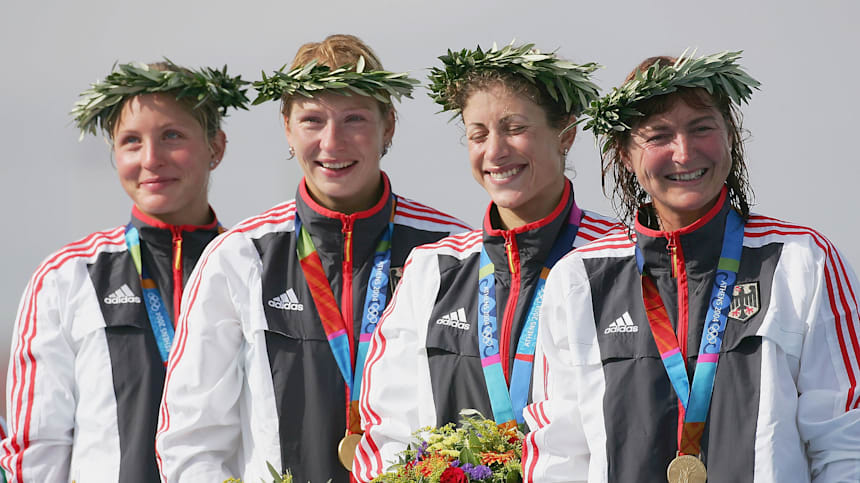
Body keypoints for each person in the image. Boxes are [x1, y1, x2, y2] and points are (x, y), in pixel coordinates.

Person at [523, 51, 860, 482]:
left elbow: (845, 440)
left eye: (702, 128)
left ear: (730, 137)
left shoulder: (800, 260)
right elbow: (559, 453)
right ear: (624, 154)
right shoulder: (580, 279)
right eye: (658, 136)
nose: (684, 153)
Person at [154, 34, 470, 483]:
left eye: (354, 119)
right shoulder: (239, 256)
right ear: (287, 128)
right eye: (312, 120)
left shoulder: (452, 251)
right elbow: (192, 438)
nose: (332, 142)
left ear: (389, 126)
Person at [353, 42, 621, 480]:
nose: (495, 152)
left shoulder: (616, 260)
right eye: (478, 135)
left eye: (514, 128)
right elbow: (388, 432)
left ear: (566, 133)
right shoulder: (434, 269)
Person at [0, 60, 248, 482]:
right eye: (131, 141)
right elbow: (36, 445)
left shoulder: (253, 266)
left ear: (216, 147)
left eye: (172, 136)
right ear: (115, 154)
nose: (151, 159)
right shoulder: (68, 276)